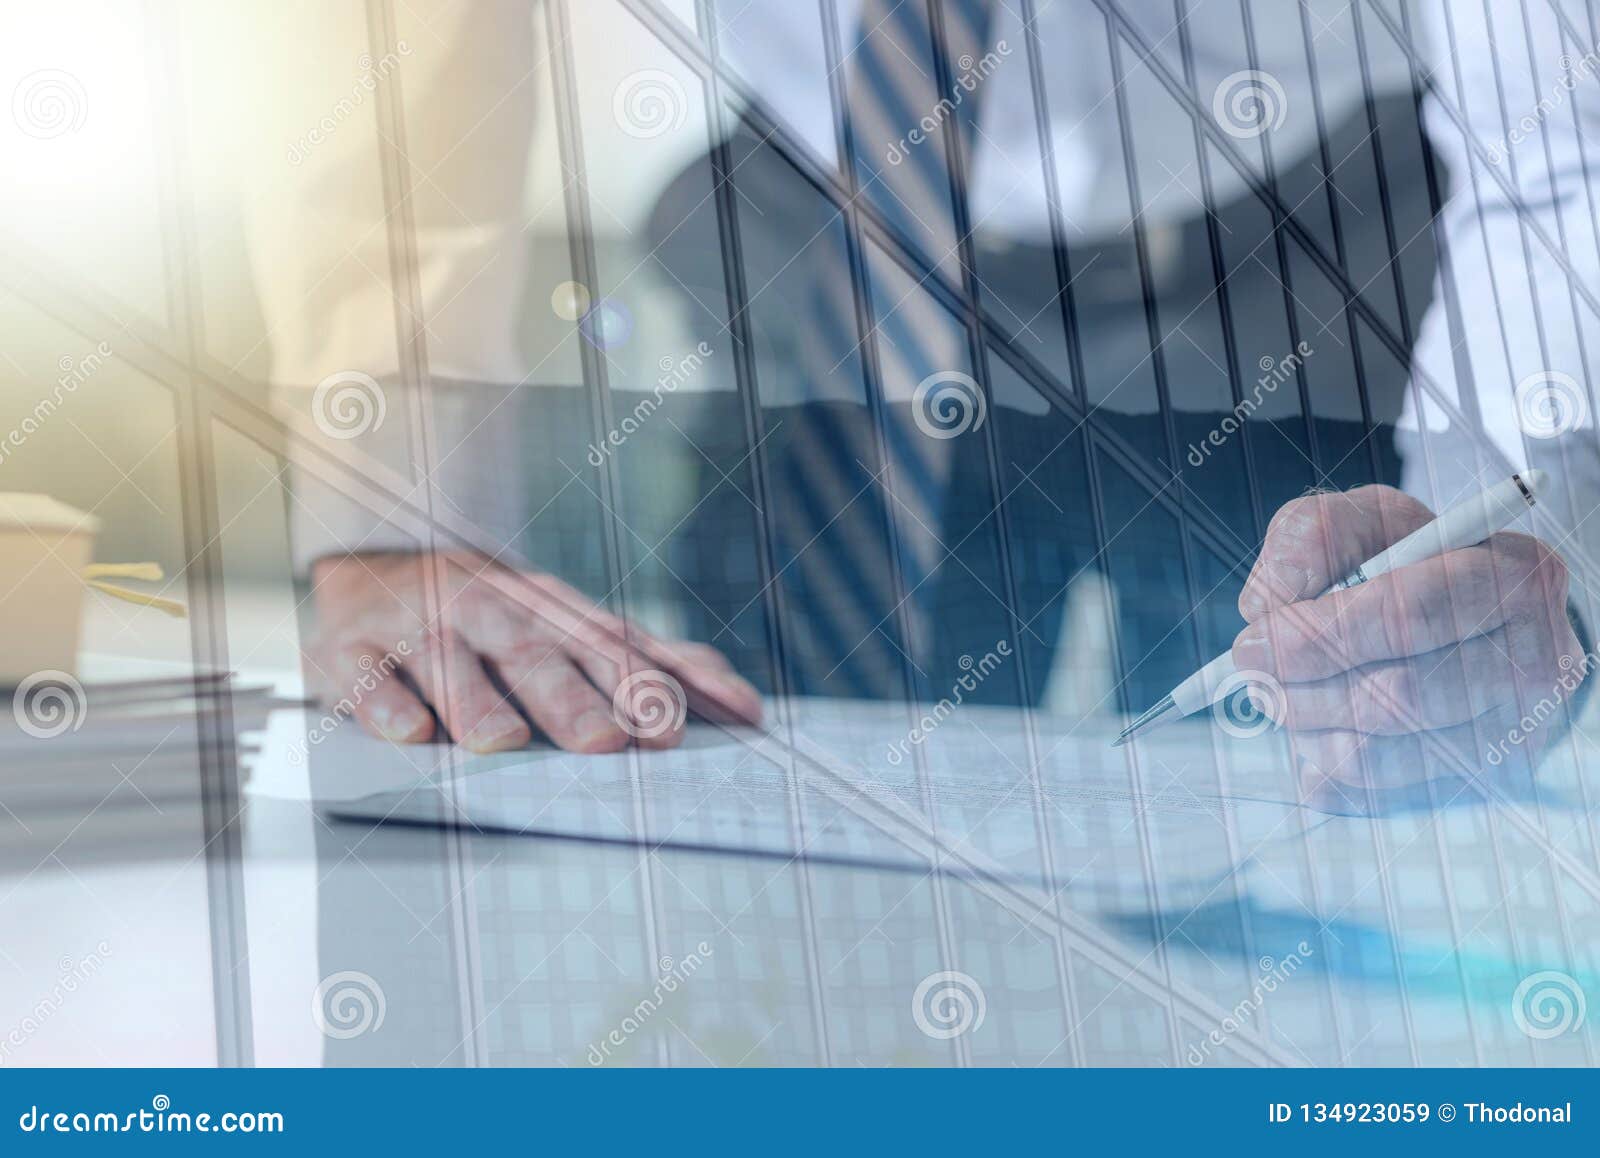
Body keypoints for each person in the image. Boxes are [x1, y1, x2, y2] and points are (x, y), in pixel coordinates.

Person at [239, 0, 1593, 794]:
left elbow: (1560, 131)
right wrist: (400, 512)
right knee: (780, 853)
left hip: (1313, 245)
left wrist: (1534, 519)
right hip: (831, 228)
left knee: (1337, 778)